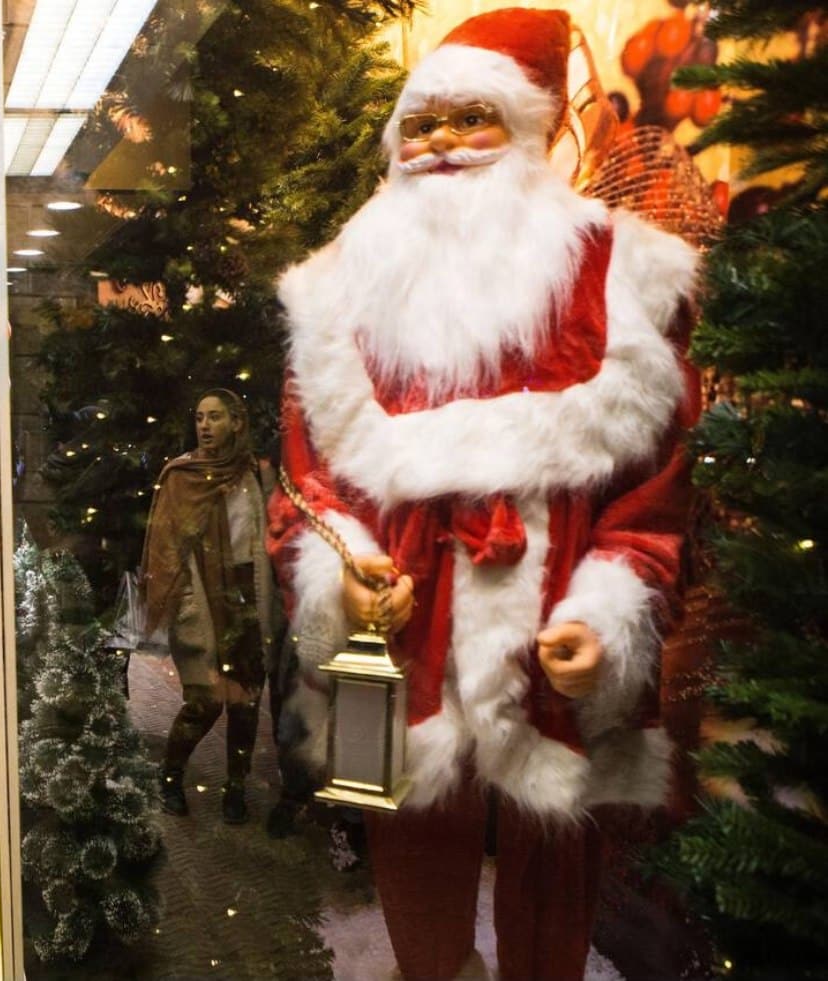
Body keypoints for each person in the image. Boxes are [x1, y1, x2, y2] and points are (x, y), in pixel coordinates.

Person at [267, 9, 699, 980]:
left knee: (556, 858)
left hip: (554, 636)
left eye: (474, 119)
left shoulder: (625, 278)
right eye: (421, 124)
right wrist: (345, 575)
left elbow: (654, 493)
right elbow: (307, 474)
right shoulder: (341, 290)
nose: (441, 146)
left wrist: (606, 614)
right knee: (416, 843)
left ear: (530, 129)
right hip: (409, 635)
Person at [139, 389, 277, 825]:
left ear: (237, 422)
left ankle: (235, 788)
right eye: (199, 417)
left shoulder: (257, 473)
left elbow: (269, 539)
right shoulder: (183, 475)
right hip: (200, 598)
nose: (204, 425)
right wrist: (179, 606)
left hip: (247, 597)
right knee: (204, 701)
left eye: (215, 417)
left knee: (247, 701)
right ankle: (170, 776)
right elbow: (164, 550)